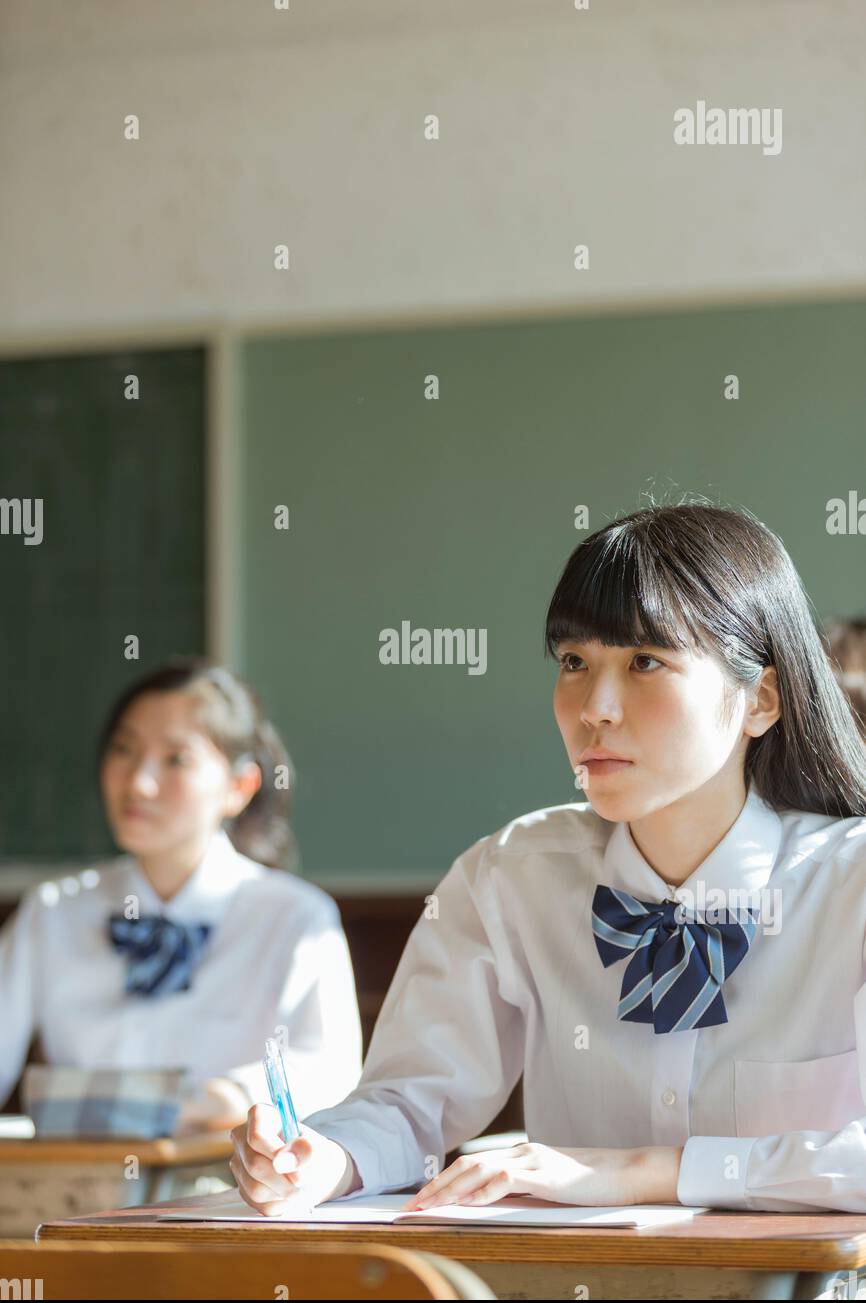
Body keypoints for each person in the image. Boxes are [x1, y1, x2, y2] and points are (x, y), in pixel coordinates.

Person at [230, 500, 866, 1214]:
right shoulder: (511, 875)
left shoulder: (852, 886)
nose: (595, 705)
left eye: (645, 661)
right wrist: (328, 1157)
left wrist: (642, 1173)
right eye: (573, 661)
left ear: (761, 699)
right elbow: (410, 1103)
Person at [0, 659, 363, 1133]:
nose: (138, 783)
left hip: (233, 1191)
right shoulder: (53, 912)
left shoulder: (294, 917)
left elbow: (331, 1071)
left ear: (239, 787)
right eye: (124, 750)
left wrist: (229, 1098)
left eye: (176, 759)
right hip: (78, 1189)